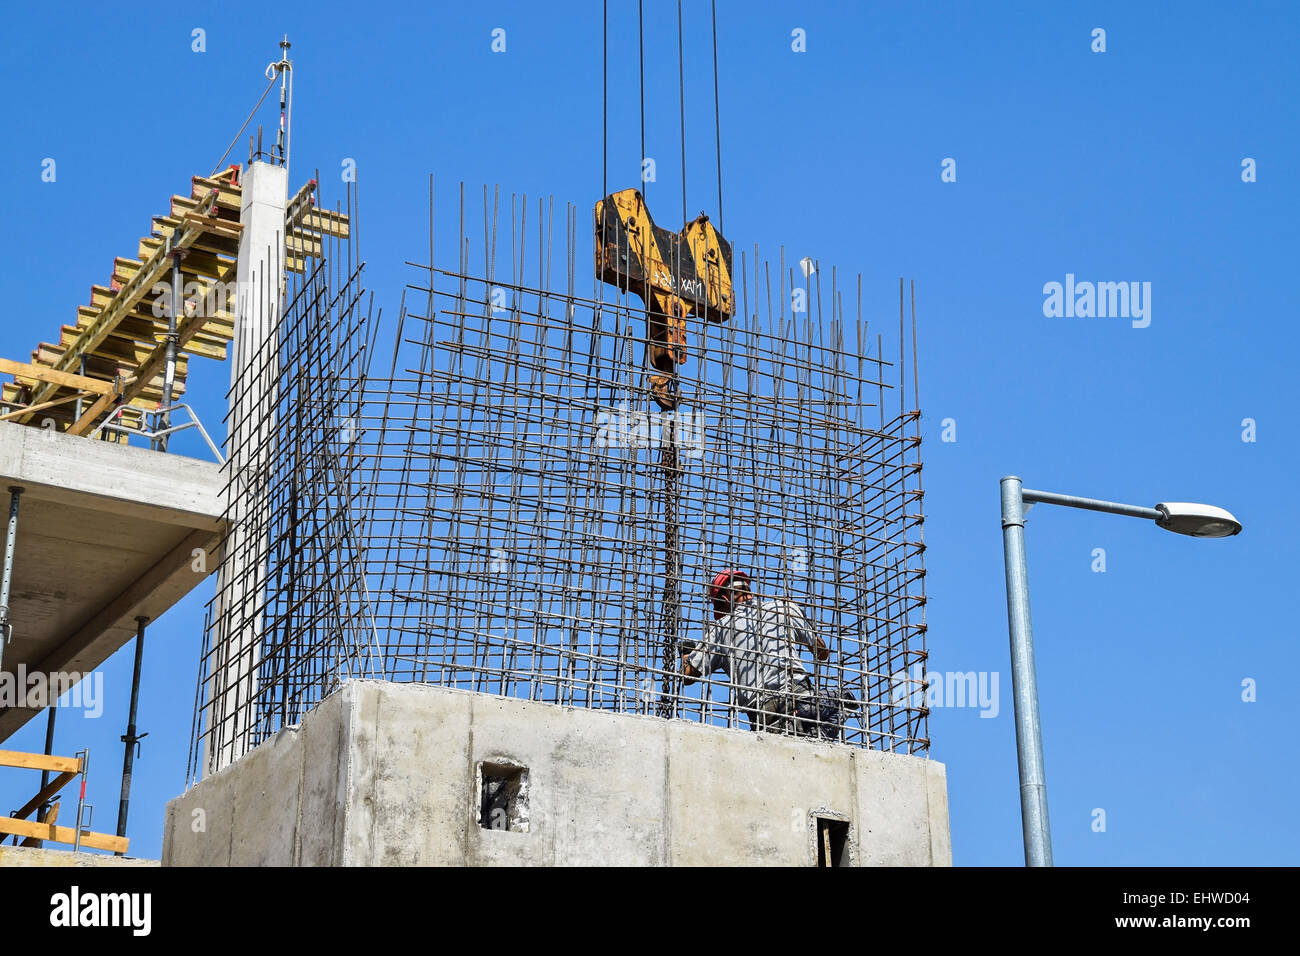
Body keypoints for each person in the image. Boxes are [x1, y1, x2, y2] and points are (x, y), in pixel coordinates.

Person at [680, 568, 846, 739]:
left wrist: (686, 653)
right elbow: (822, 653)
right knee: (840, 701)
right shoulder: (783, 607)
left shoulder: (721, 628)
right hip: (801, 697)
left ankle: (792, 727)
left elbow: (687, 675)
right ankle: (809, 728)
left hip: (764, 713)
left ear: (724, 599)